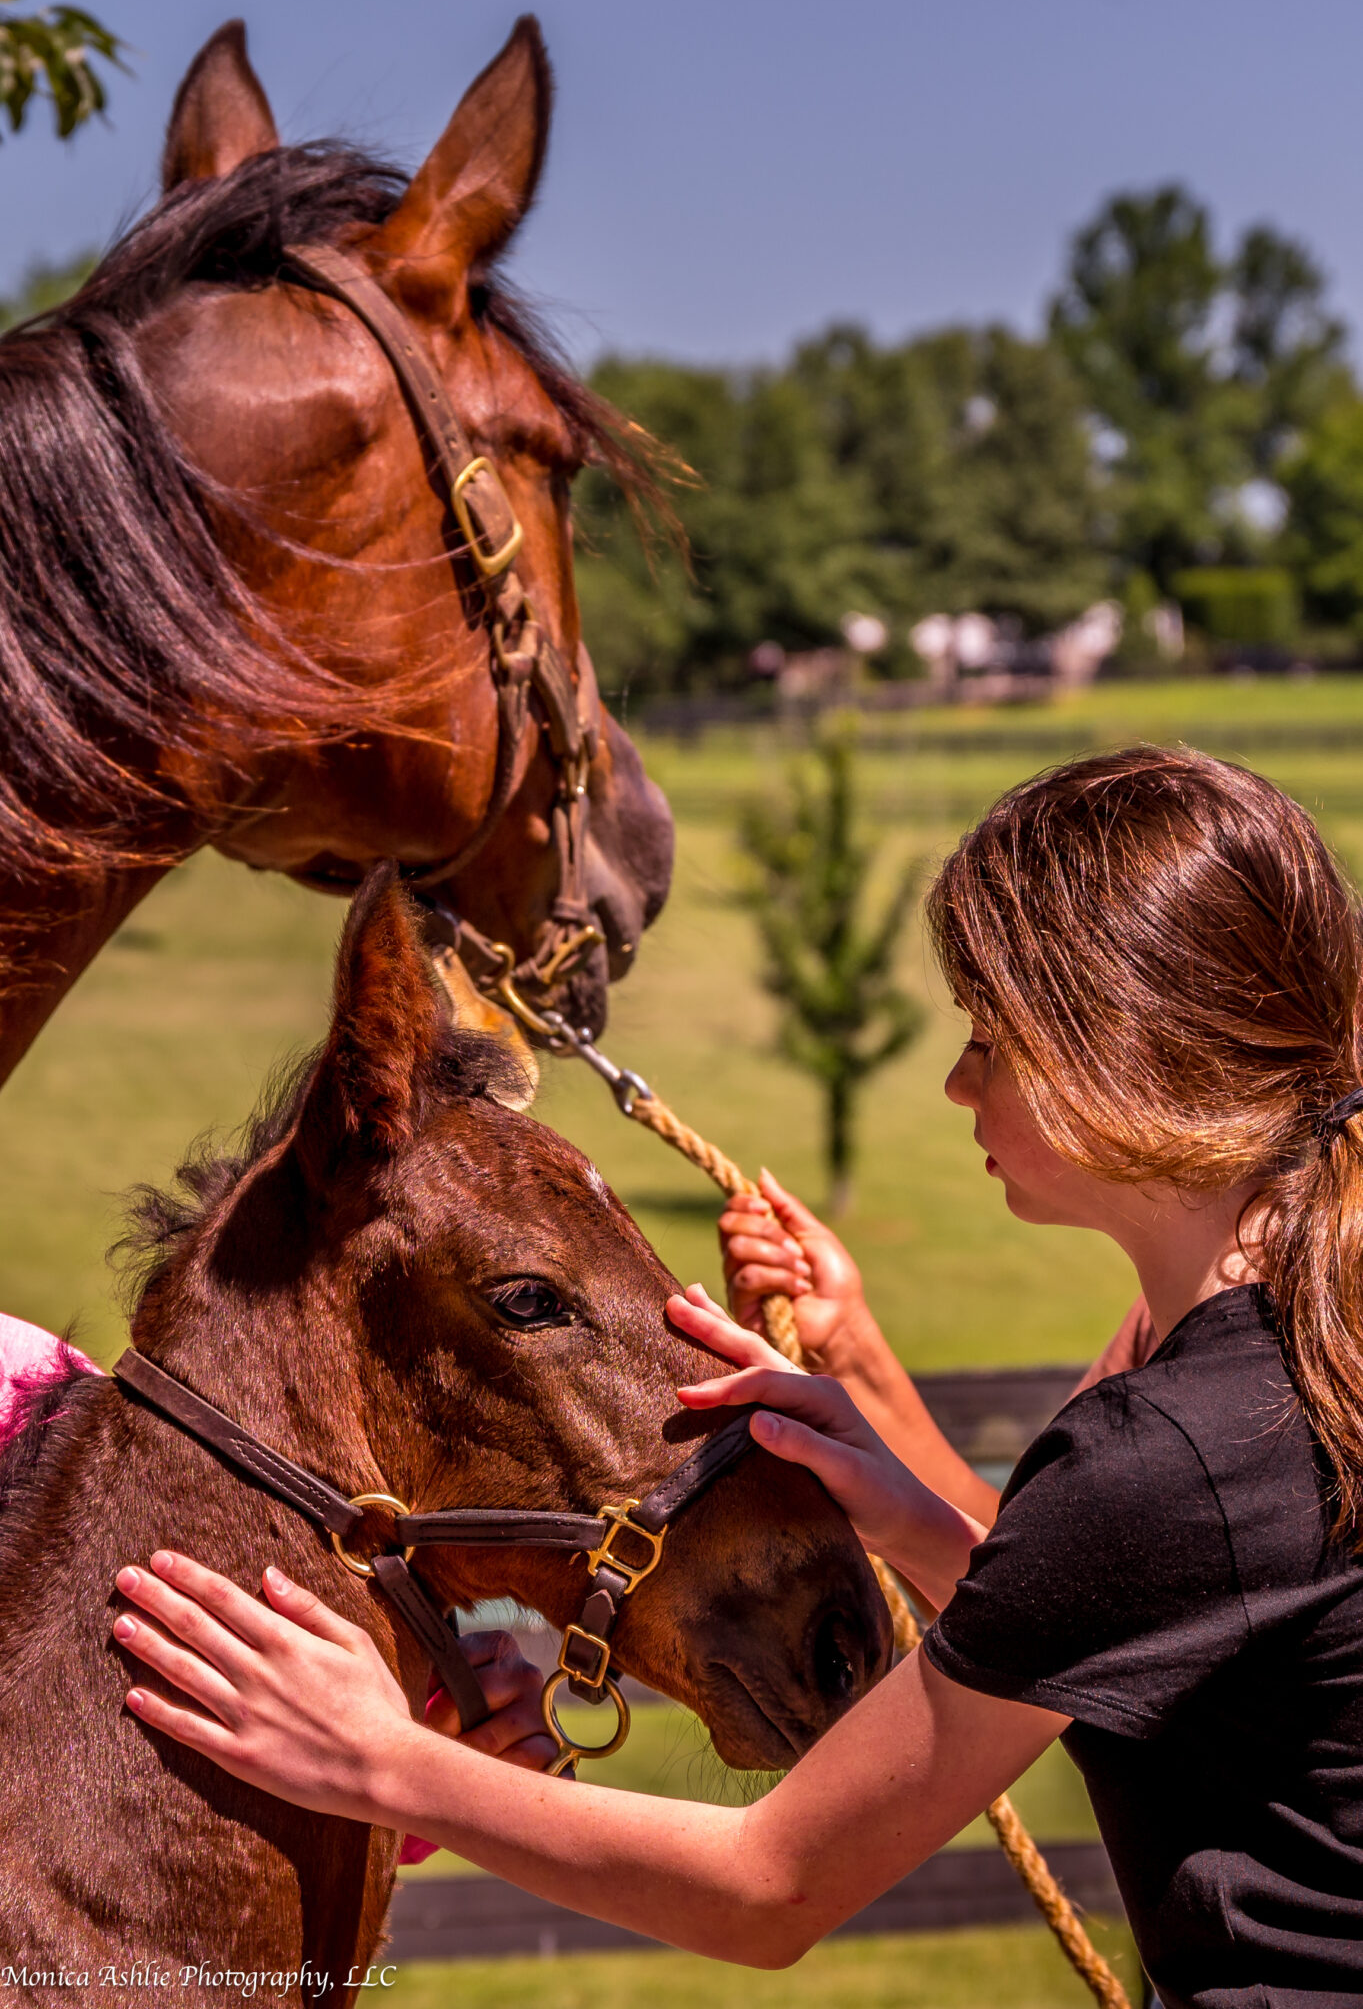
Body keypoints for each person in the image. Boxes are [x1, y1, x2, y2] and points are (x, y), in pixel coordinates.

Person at [109, 749, 1363, 2006]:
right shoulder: (1294, 1346)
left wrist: (376, 1758)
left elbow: (768, 1887)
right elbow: (1146, 1620)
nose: (957, 1081)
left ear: (1119, 1059)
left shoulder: (1169, 1446)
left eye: (991, 1039)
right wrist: (892, 1496)